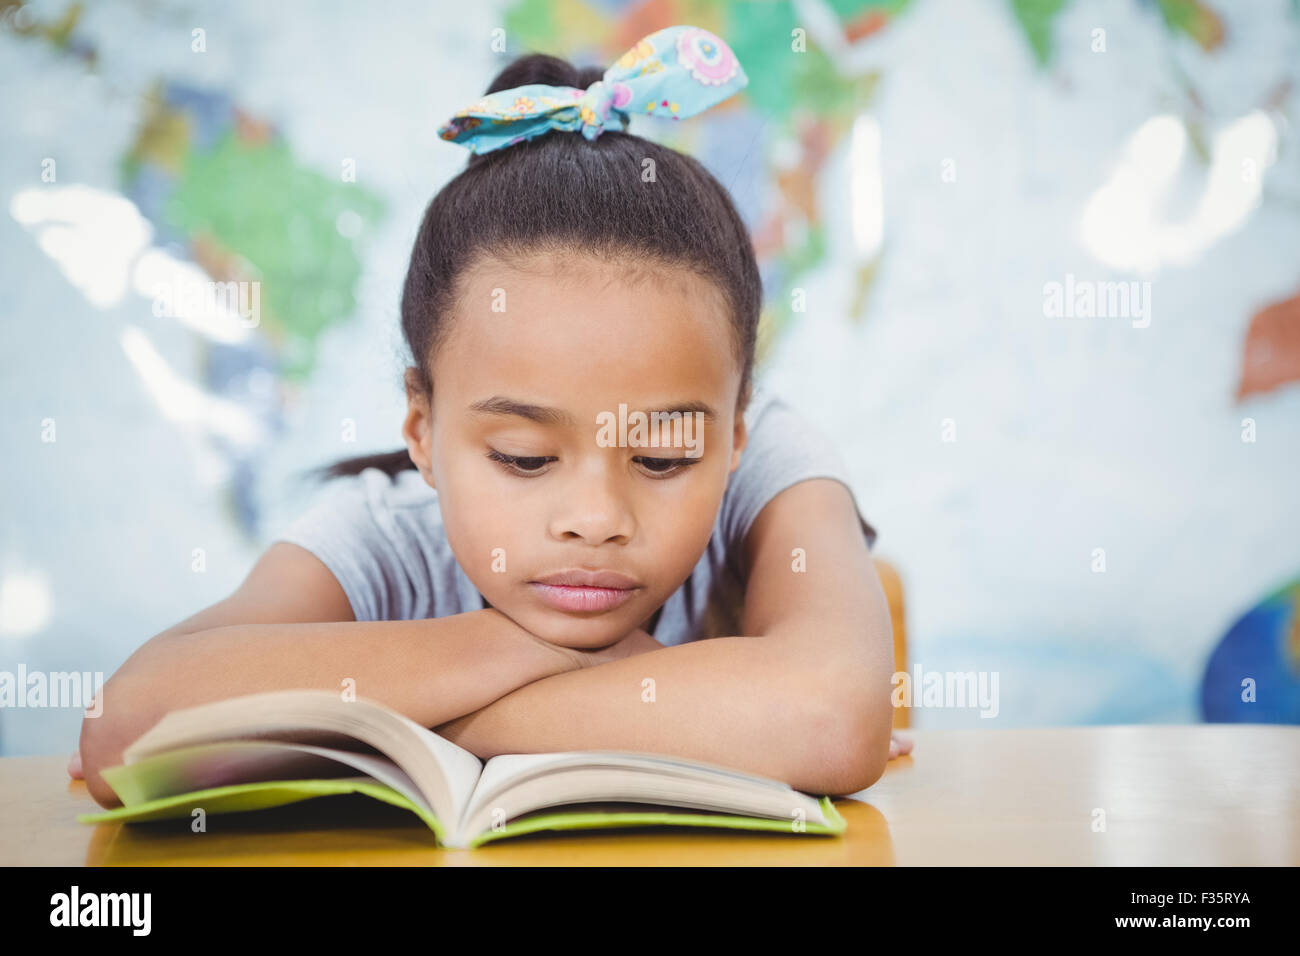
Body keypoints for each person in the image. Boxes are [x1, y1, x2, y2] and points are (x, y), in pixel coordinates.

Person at [76, 24, 911, 809]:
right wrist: (517, 650)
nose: (595, 521)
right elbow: (129, 734)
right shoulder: (381, 534)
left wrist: (406, 723)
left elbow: (831, 720)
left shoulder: (770, 461)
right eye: (521, 456)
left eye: (661, 458)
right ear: (421, 430)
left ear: (733, 433)